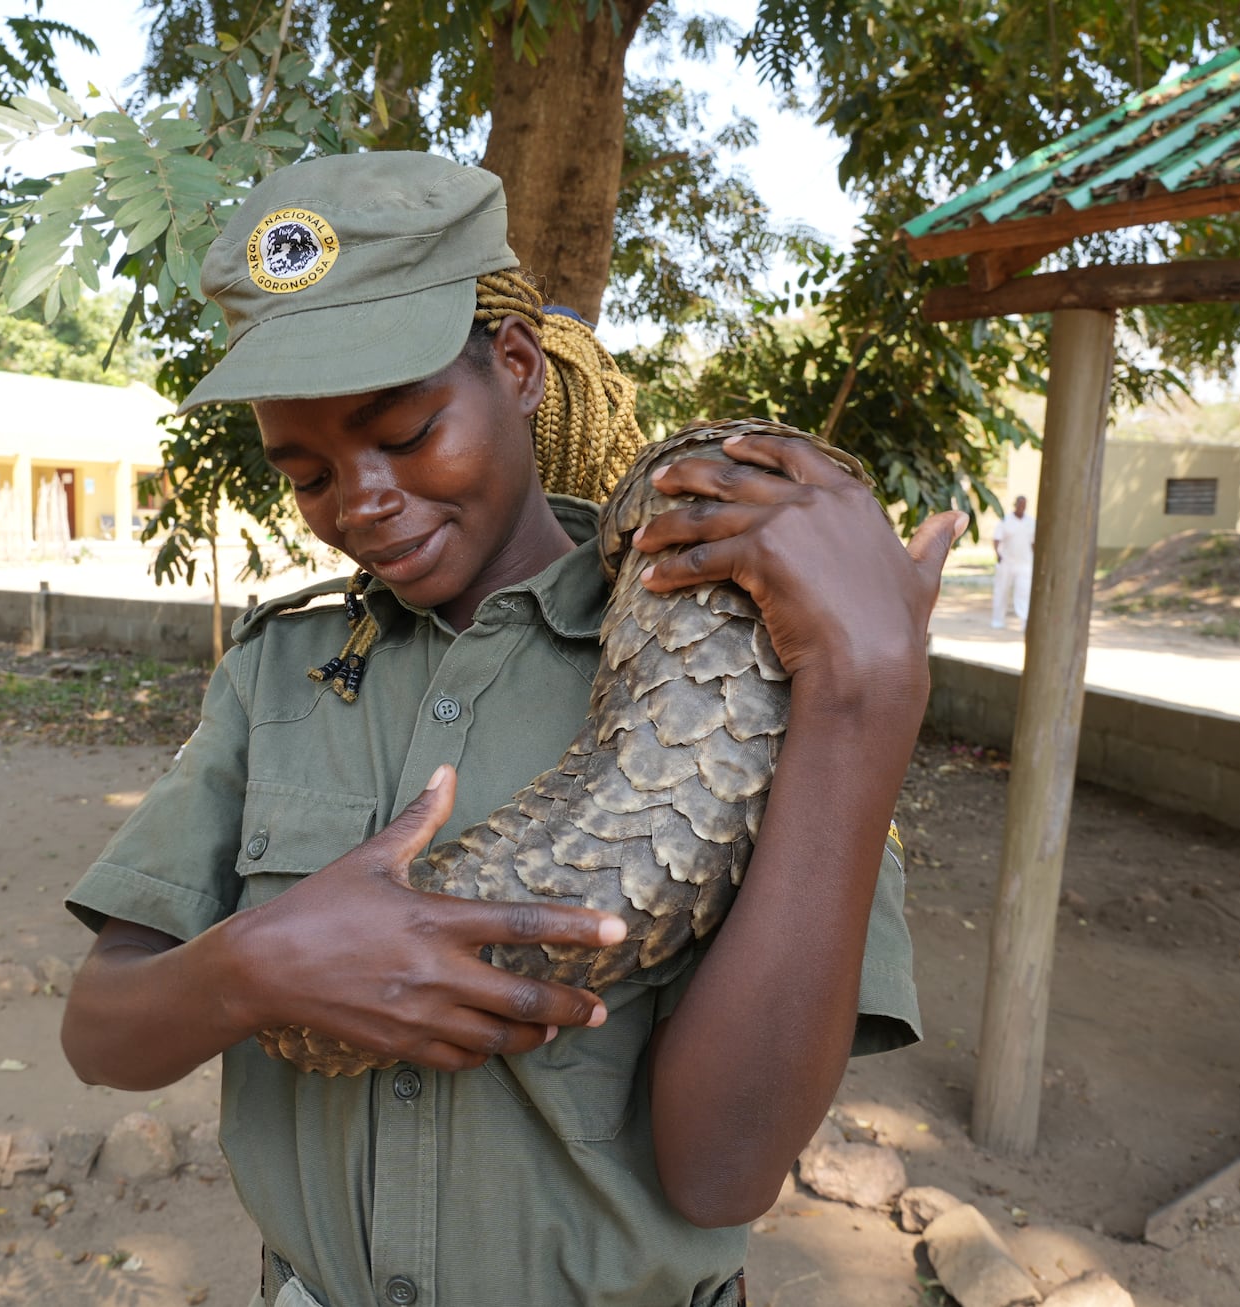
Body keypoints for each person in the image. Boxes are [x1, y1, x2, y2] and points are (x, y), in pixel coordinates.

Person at [59, 151, 962, 1307]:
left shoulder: (748, 664)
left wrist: (864, 696)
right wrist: (252, 967)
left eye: (406, 430)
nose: (362, 498)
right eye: (308, 472)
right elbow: (102, 1032)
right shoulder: (279, 673)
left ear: (521, 368)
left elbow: (723, 1169)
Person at [991, 494, 1035, 629]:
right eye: (1019, 504)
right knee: (1001, 591)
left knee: (1024, 592)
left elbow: (1034, 542)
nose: (1022, 507)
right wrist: (997, 553)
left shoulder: (1031, 522)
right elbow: (996, 538)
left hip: (1025, 563)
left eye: (1024, 504)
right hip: (1007, 562)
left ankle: (1025, 621)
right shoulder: (1005, 520)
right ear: (1015, 505)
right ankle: (997, 620)